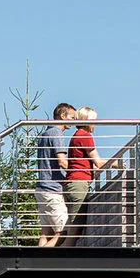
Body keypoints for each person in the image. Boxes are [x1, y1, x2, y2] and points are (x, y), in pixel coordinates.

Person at [34, 104, 76, 247]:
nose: (74, 121)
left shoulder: (45, 134)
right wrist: (77, 171)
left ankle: (36, 257)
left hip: (42, 189)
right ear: (63, 116)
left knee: (46, 232)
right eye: (72, 118)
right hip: (53, 190)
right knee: (62, 233)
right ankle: (38, 260)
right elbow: (62, 162)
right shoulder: (57, 133)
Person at [62, 108, 97, 243]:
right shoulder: (85, 136)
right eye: (94, 120)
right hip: (78, 185)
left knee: (71, 228)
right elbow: (98, 162)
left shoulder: (76, 136)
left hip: (71, 184)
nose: (96, 124)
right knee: (75, 231)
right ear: (86, 121)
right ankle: (66, 255)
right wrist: (117, 163)